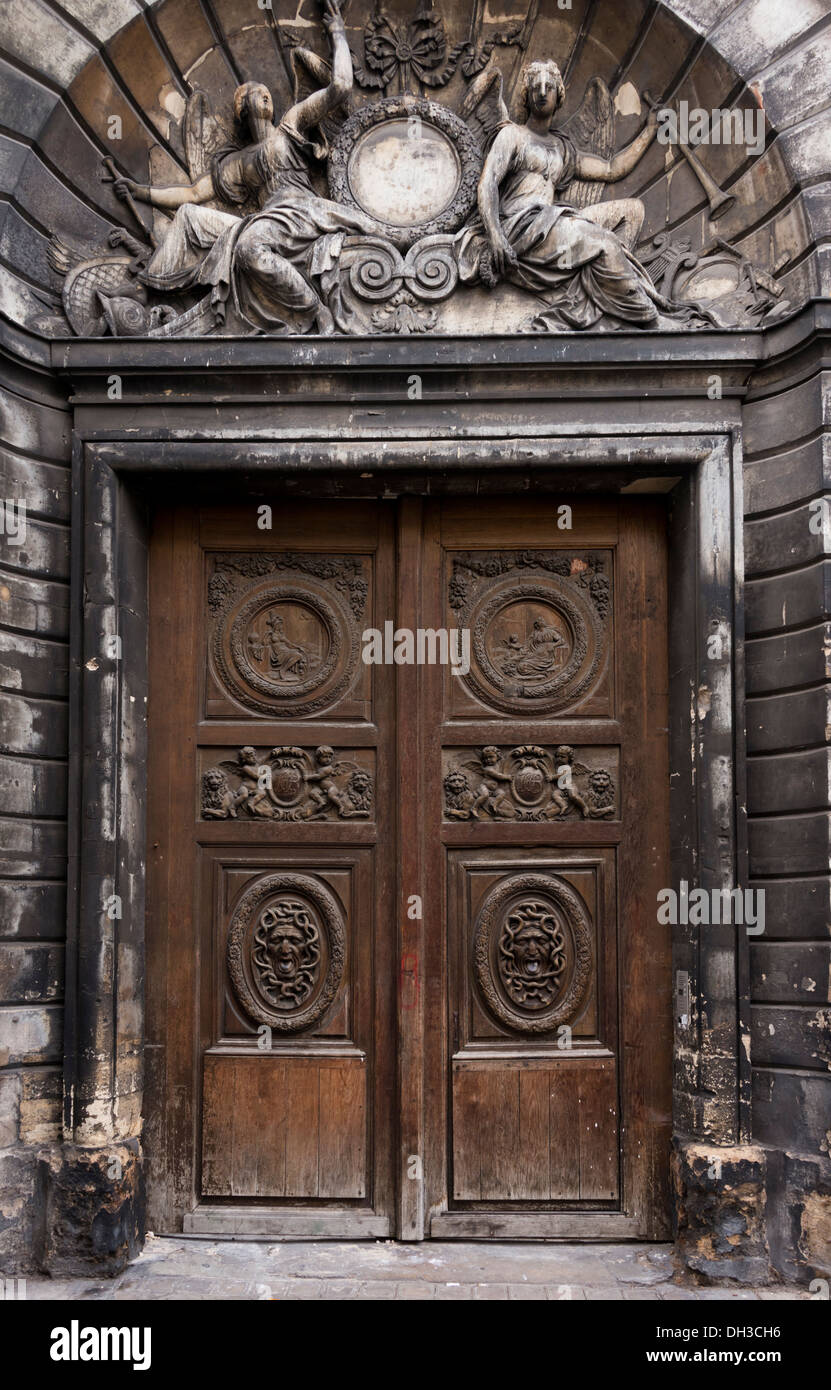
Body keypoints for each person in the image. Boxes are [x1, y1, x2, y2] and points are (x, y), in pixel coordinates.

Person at [112, 0, 379, 334]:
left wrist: (338, 34)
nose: (263, 93)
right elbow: (193, 193)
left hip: (301, 212)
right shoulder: (237, 164)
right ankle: (149, 288)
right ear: (242, 109)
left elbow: (340, 86)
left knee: (250, 245)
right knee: (189, 217)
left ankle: (314, 309)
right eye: (255, 92)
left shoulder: (291, 124)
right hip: (267, 218)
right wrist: (140, 191)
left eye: (266, 92)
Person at [456, 59, 692, 331]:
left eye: (549, 87)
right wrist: (495, 235)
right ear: (527, 96)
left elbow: (611, 169)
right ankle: (647, 318)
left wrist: (650, 131)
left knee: (631, 211)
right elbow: (487, 184)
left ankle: (598, 290)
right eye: (536, 87)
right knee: (604, 243)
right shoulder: (512, 135)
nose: (542, 92)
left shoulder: (562, 149)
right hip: (520, 226)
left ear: (558, 96)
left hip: (549, 222)